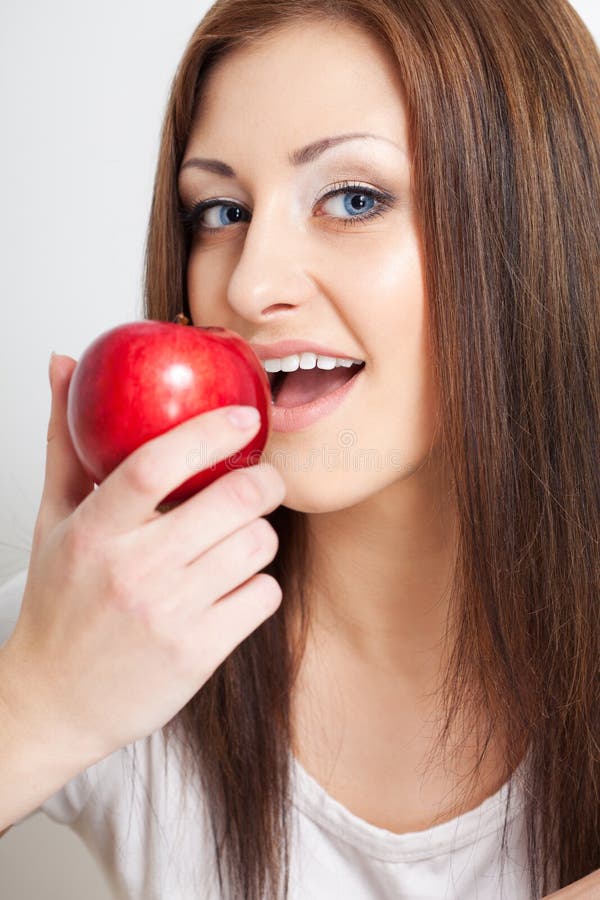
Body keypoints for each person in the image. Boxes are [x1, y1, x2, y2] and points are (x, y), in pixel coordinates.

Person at [0, 1, 598, 898]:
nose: (248, 281)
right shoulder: (102, 611)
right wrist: (36, 708)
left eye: (353, 199)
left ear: (535, 221)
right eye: (220, 209)